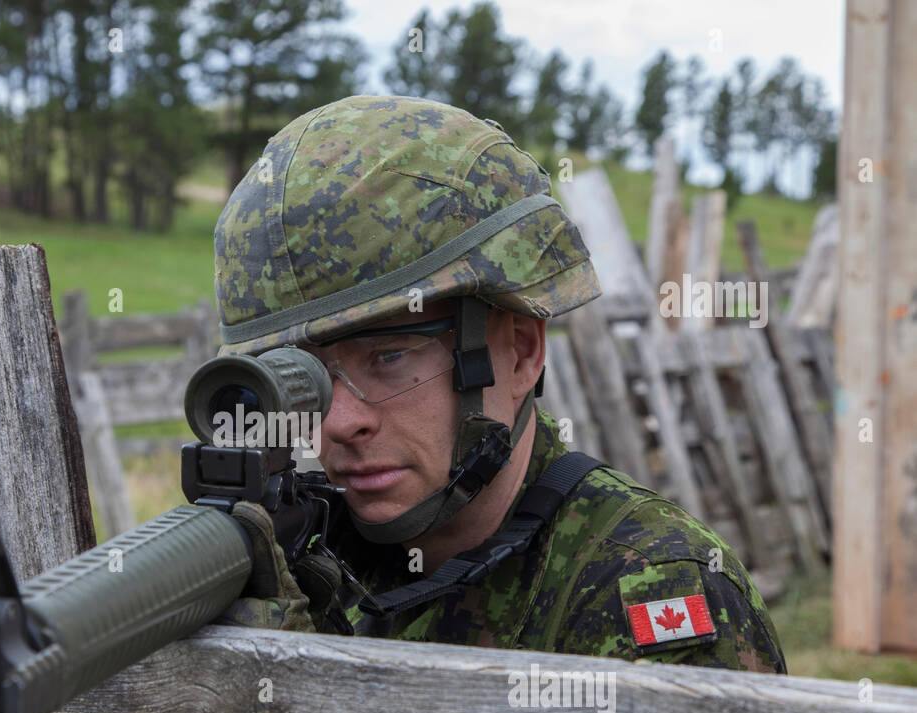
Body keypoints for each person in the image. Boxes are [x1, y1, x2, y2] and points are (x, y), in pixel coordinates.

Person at [212, 94, 786, 674]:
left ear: (519, 352)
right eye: (304, 377)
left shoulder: (648, 596)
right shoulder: (312, 567)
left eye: (388, 357)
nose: (338, 424)